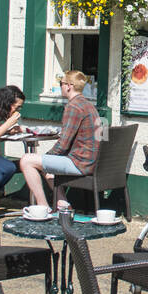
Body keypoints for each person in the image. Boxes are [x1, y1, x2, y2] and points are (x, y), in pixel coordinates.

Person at [19, 70, 100, 208]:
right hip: (91, 160)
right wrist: (46, 161)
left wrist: (45, 158)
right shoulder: (89, 105)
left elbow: (63, 144)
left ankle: (43, 206)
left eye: (61, 83)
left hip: (79, 163)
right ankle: (62, 203)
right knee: (46, 165)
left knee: (26, 160)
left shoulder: (73, 107)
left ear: (69, 85)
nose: (61, 86)